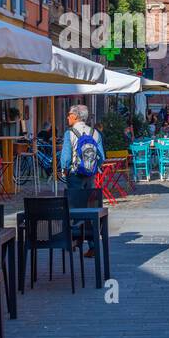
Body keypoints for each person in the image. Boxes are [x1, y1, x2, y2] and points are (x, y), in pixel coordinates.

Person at [60, 104, 105, 256]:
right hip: (90, 175)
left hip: (74, 175)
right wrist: (93, 168)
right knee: (90, 208)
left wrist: (64, 170)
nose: (67, 117)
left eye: (69, 115)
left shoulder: (70, 133)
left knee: (73, 208)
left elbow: (65, 157)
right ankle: (92, 245)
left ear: (75, 116)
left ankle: (72, 241)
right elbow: (101, 157)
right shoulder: (95, 133)